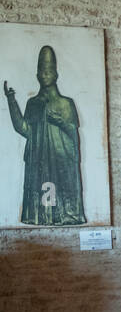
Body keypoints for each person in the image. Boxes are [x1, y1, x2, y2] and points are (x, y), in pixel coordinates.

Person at [4, 45, 86, 226]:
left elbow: (73, 134)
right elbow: (24, 129)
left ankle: (66, 215)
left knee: (62, 198)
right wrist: (11, 102)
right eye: (42, 72)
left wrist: (61, 122)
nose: (45, 76)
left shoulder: (66, 104)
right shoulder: (33, 103)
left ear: (56, 75)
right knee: (42, 196)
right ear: (37, 76)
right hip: (40, 161)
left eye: (49, 72)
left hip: (60, 162)